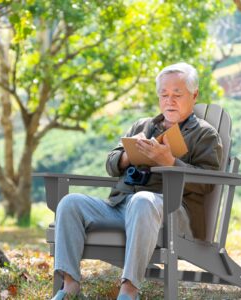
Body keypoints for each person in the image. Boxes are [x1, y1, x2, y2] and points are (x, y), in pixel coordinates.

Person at [52, 62, 223, 300]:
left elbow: (208, 183)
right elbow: (111, 162)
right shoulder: (142, 126)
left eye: (177, 94)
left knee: (142, 200)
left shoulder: (205, 134)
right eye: (164, 94)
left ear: (194, 96)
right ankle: (69, 286)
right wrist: (127, 157)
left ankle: (128, 291)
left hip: (172, 212)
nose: (169, 101)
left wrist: (170, 162)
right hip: (123, 205)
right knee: (70, 203)